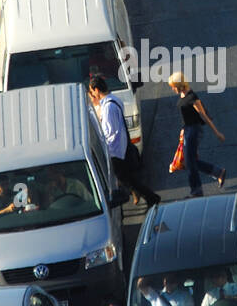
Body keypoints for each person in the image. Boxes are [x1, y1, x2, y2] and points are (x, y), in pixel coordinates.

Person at [88, 74, 159, 209]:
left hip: (116, 150)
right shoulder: (114, 100)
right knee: (127, 178)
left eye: (92, 91)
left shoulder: (108, 107)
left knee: (124, 178)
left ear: (97, 90)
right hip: (122, 147)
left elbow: (110, 132)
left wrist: (105, 149)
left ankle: (151, 197)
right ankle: (146, 196)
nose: (92, 95)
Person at [168, 72, 225, 198]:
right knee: (190, 161)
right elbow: (187, 116)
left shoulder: (192, 97)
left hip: (194, 131)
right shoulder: (183, 94)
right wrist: (183, 129)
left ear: (180, 85)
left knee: (189, 162)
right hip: (188, 130)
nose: (172, 89)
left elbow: (204, 116)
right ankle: (218, 173)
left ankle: (197, 191)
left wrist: (217, 133)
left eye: (173, 86)